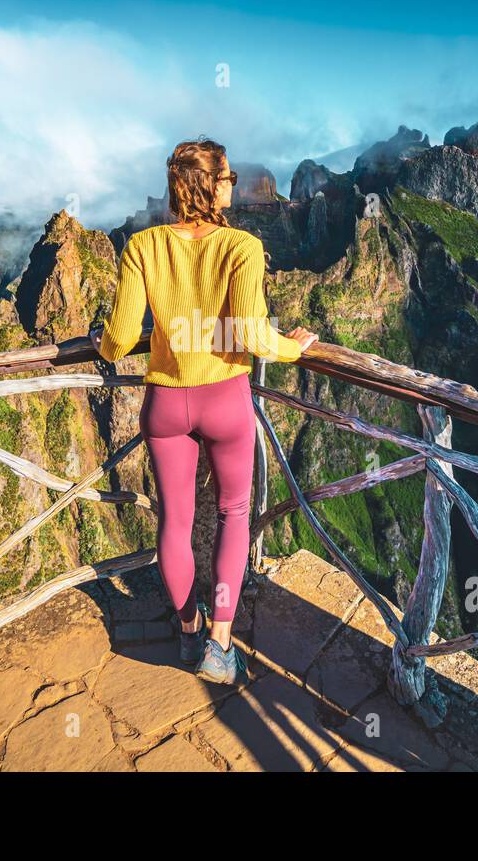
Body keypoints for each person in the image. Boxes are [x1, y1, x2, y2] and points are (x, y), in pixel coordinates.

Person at [89, 139, 318, 685]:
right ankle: (219, 641)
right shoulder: (241, 246)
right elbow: (254, 334)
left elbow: (120, 338)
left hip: (167, 401)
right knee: (234, 514)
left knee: (175, 519)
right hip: (225, 399)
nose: (234, 186)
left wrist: (101, 347)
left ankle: (187, 627)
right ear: (213, 185)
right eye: (229, 178)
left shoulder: (142, 247)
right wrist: (295, 346)